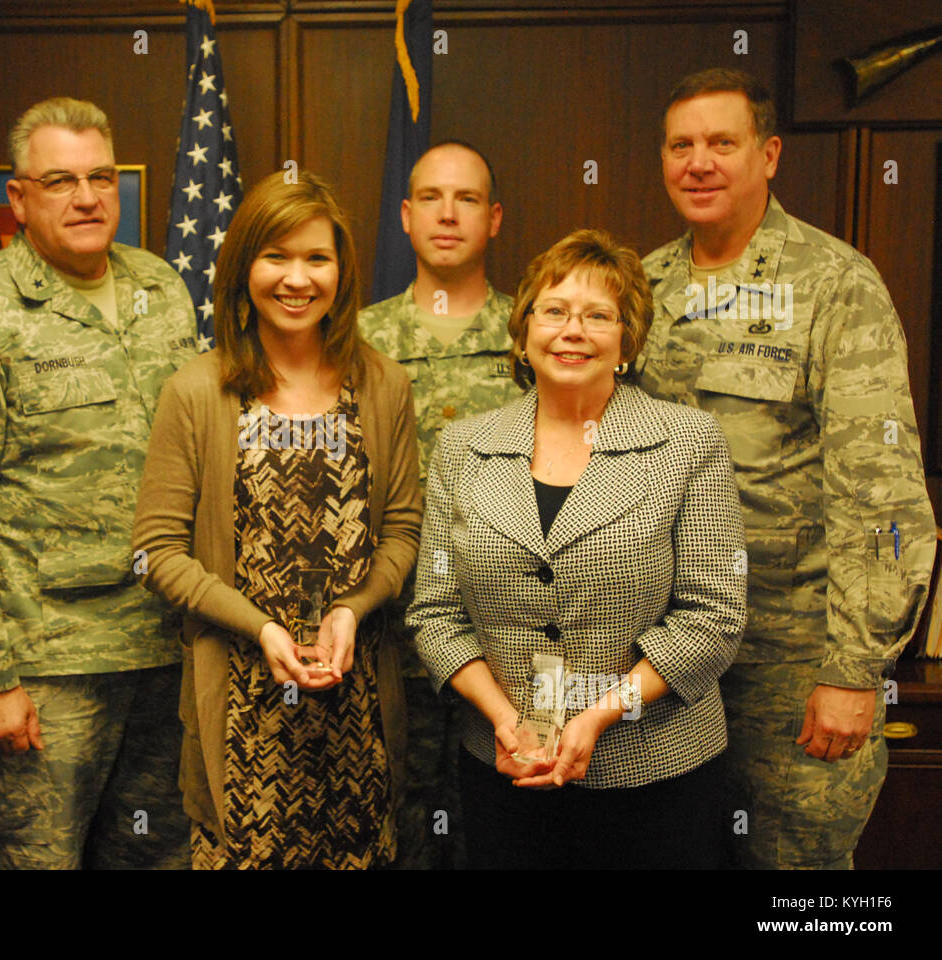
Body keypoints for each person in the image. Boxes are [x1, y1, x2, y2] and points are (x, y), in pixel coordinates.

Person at [638, 68, 935, 869]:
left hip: (792, 663)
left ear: (768, 155)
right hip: (663, 658)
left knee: (796, 886)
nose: (698, 162)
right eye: (681, 145)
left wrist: (854, 669)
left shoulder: (836, 286)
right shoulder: (639, 288)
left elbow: (885, 498)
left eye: (721, 143)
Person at [408, 228, 747, 869]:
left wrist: (597, 716)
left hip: (656, 775)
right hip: (508, 767)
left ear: (626, 341)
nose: (573, 330)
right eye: (554, 310)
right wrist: (506, 719)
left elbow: (713, 617)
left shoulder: (689, 442)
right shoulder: (463, 447)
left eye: (599, 316)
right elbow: (435, 615)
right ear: (524, 329)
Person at [0, 97, 197, 869]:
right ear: (19, 198)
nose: (86, 197)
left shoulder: (161, 290)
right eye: (61, 180)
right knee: (36, 860)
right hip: (48, 669)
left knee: (162, 856)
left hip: (166, 647)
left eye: (101, 177)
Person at [132, 170, 422, 869]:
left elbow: (406, 530)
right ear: (243, 268)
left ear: (342, 269)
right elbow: (154, 552)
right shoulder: (197, 390)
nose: (298, 279)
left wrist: (354, 610)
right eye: (276, 256)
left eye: (316, 258)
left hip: (357, 713)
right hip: (239, 714)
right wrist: (258, 627)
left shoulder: (384, 385)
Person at [359, 140, 518, 869]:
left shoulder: (539, 336)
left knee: (506, 809)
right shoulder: (357, 342)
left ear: (494, 219)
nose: (447, 214)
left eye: (466, 199)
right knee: (400, 813)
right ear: (404, 215)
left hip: (512, 629)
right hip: (390, 627)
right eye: (430, 197)